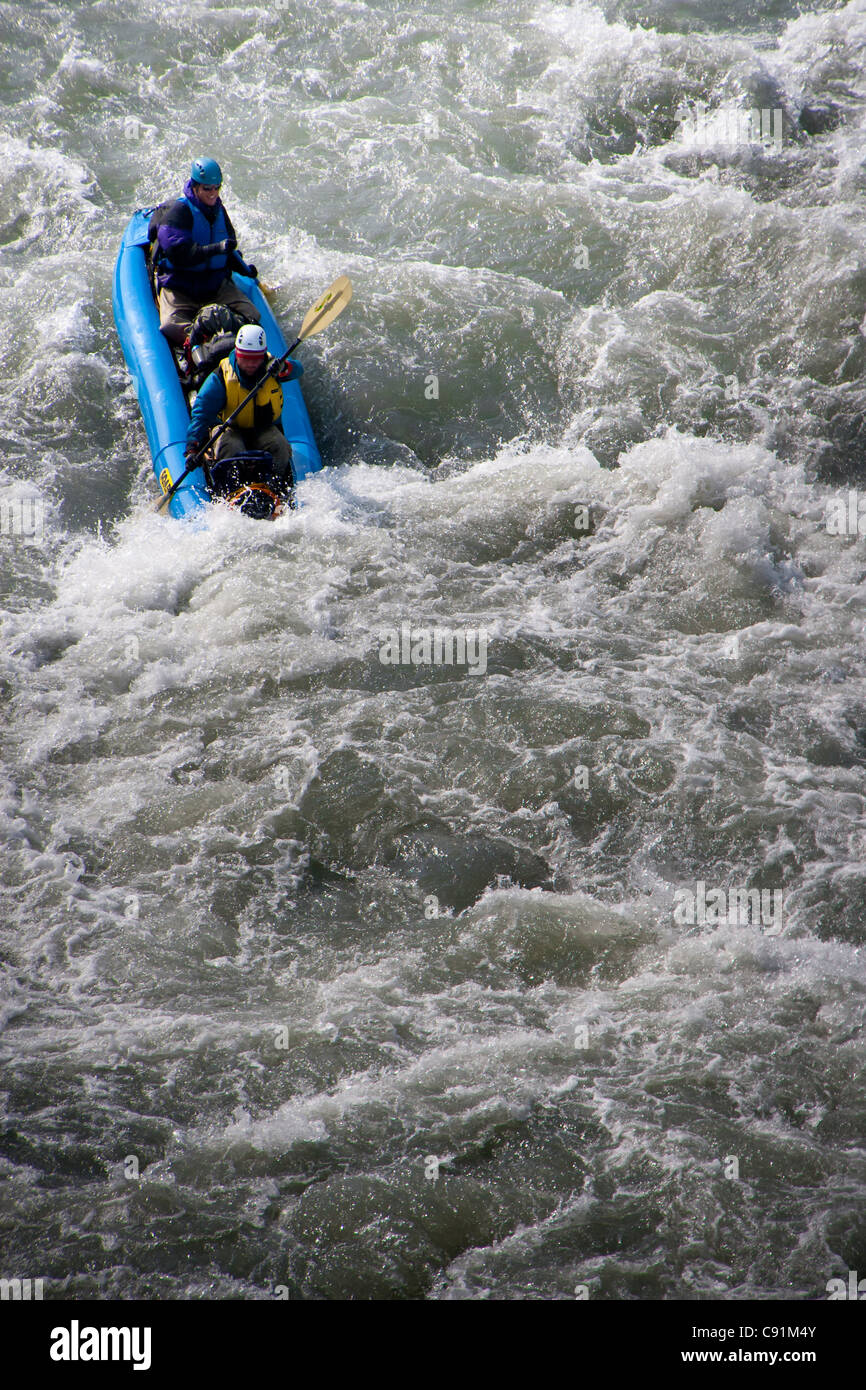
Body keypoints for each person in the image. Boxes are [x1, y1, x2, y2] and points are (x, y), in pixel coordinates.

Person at [152, 157, 261, 345]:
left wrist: (244, 269)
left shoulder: (219, 211)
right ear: (195, 187)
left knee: (252, 314)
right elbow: (179, 254)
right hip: (180, 285)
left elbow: (228, 249)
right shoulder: (179, 212)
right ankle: (197, 342)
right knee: (170, 325)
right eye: (207, 189)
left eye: (216, 187)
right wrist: (216, 248)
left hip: (214, 285)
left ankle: (230, 334)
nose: (213, 193)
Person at [185, 323, 303, 484]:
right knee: (232, 447)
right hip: (229, 428)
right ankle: (233, 487)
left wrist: (284, 366)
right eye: (245, 358)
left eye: (255, 359)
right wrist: (192, 448)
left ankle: (274, 486)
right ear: (237, 354)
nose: (250, 364)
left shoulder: (272, 368)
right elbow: (201, 413)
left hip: (262, 429)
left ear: (262, 356)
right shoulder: (221, 377)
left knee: (279, 445)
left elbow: (298, 370)